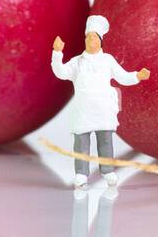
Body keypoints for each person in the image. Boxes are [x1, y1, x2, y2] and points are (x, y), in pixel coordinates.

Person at [51, 15, 150, 188]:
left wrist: (137, 76)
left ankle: (108, 171)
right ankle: (81, 174)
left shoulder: (107, 60)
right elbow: (61, 72)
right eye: (88, 37)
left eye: (94, 37)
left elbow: (123, 77)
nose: (91, 40)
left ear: (100, 41)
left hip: (103, 109)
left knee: (105, 141)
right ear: (85, 40)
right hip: (83, 111)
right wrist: (57, 53)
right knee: (81, 143)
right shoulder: (77, 62)